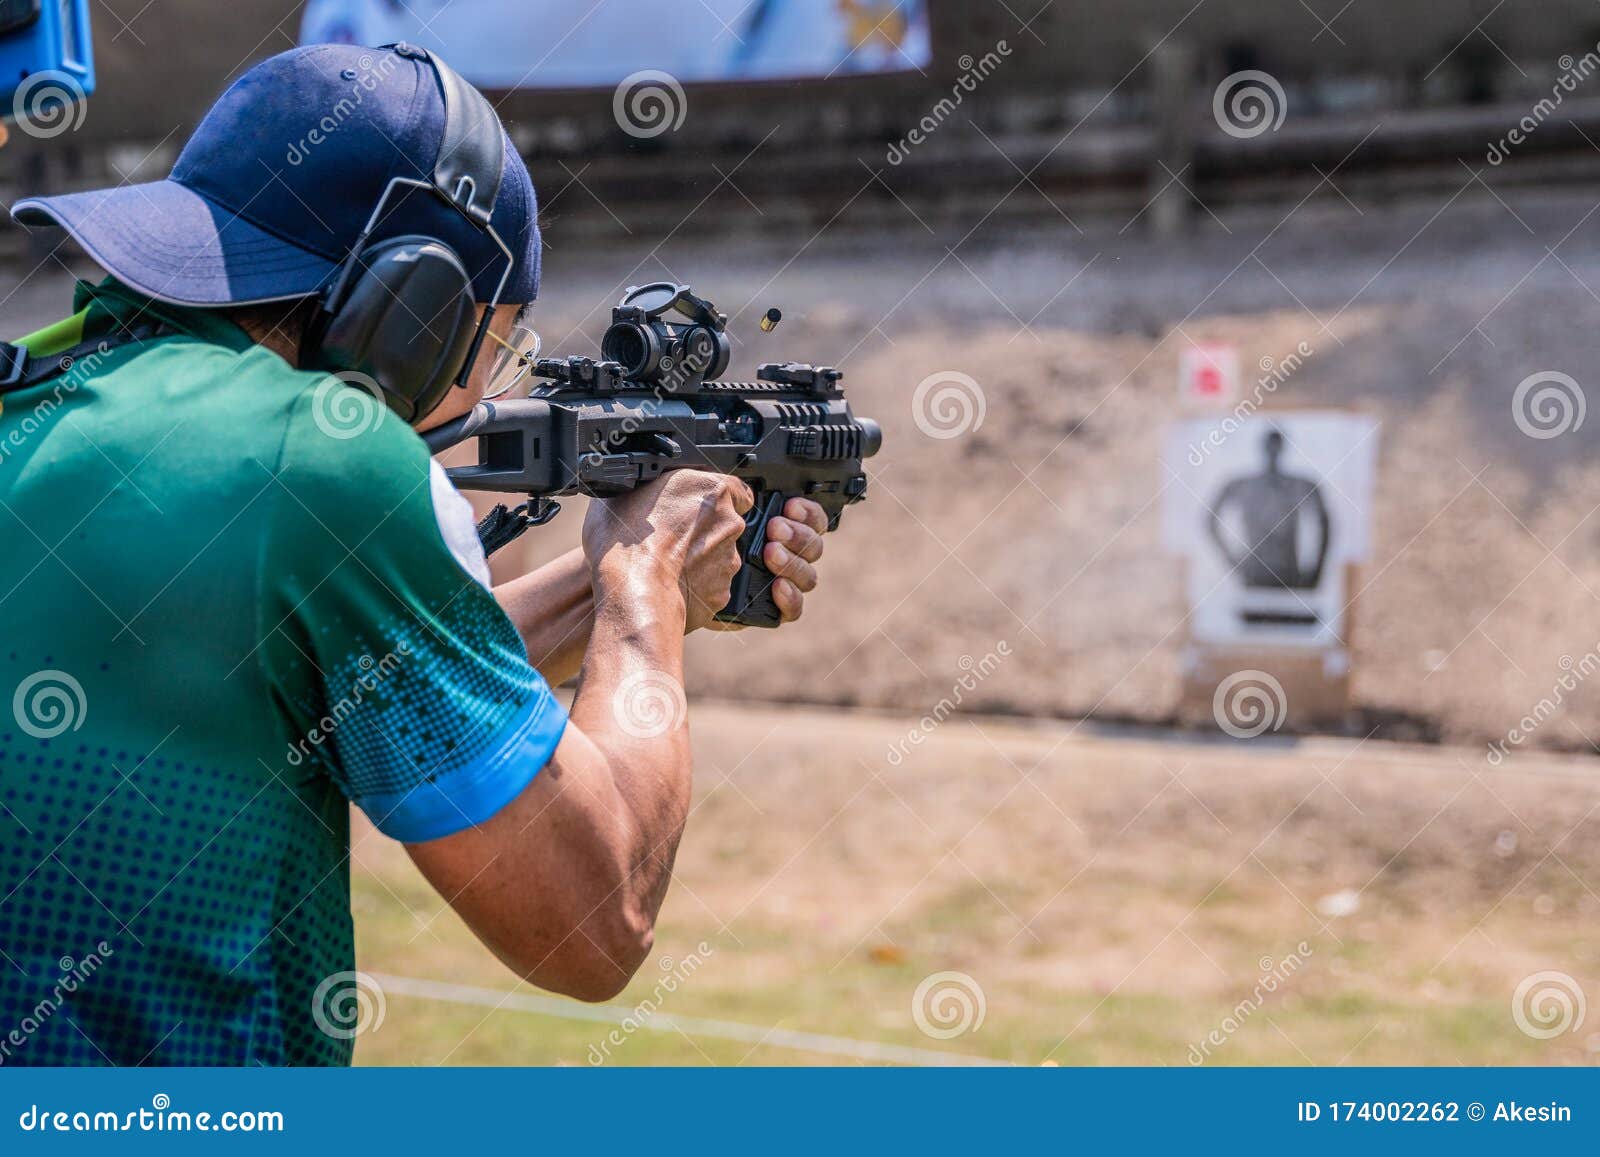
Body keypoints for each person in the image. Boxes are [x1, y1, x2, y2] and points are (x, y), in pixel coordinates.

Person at [0, 44, 833, 1065]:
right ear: (406, 314)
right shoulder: (325, 458)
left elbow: (338, 691)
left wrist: (612, 574)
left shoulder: (40, 392)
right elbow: (591, 921)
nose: (484, 392)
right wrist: (646, 593)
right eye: (493, 347)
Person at [1207, 427, 1331, 590]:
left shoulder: (1301, 484)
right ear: (1263, 447)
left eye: (1276, 446)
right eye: (1270, 446)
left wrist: (1317, 572)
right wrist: (1233, 564)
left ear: (1282, 449)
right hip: (1254, 575)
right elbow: (1210, 520)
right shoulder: (1242, 484)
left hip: (1289, 576)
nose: (1272, 452)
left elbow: (1326, 524)